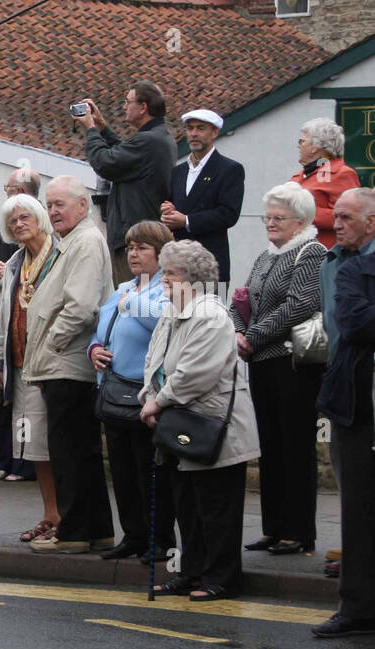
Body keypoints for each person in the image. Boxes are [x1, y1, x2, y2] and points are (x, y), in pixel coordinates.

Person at [143, 241, 259, 601]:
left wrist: (157, 403)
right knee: (188, 510)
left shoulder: (209, 315)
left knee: (216, 511)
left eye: (171, 273)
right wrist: (149, 397)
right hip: (181, 425)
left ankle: (221, 578)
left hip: (212, 428)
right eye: (164, 272)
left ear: (192, 280)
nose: (163, 279)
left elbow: (196, 374)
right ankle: (191, 573)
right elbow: (155, 362)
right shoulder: (171, 313)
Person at [24, 176, 115, 554]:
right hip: (62, 361)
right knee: (80, 450)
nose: (53, 211)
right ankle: (95, 530)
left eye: (61, 204)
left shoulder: (86, 242)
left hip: (66, 362)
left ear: (83, 205)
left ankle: (75, 532)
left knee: (70, 452)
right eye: (49, 204)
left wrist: (51, 343)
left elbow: (79, 307)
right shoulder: (73, 242)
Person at [235, 182, 326, 556]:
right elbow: (241, 299)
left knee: (295, 446)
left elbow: (299, 306)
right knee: (269, 445)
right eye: (267, 216)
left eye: (278, 217)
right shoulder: (265, 256)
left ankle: (299, 531)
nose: (269, 223)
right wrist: (239, 332)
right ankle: (273, 527)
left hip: (292, 364)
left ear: (301, 221)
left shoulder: (311, 252)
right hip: (261, 361)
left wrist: (253, 336)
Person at [88, 220, 175, 562]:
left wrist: (131, 303)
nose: (134, 254)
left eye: (142, 248)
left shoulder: (165, 288)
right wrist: (94, 348)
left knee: (149, 471)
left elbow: (163, 319)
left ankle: (160, 538)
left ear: (161, 252)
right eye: (130, 247)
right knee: (122, 472)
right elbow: (101, 328)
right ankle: (134, 535)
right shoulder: (123, 287)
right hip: (113, 389)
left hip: (146, 393)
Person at [313, 187, 375, 638]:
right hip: (357, 404)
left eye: (347, 217)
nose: (337, 224)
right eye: (337, 215)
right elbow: (353, 324)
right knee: (359, 509)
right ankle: (356, 607)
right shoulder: (347, 266)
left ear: (371, 222)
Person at [0, 194, 61, 541]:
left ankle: (63, 516)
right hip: (20, 367)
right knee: (32, 447)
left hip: (54, 365)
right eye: (12, 221)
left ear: (40, 218)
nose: (18, 224)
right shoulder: (16, 261)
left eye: (24, 217)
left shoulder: (60, 255)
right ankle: (50, 513)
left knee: (58, 445)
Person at [78, 81, 178, 286]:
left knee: (132, 302)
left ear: (143, 107)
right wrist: (102, 127)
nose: (124, 106)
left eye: (127, 101)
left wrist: (90, 129)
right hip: (142, 236)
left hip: (135, 239)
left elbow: (105, 163)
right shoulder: (158, 138)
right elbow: (124, 154)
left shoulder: (148, 141)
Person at [161, 109, 244, 282]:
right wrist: (166, 210)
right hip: (178, 264)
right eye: (190, 128)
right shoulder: (178, 171)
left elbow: (228, 214)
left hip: (211, 265)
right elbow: (170, 202)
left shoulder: (229, 169)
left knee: (208, 308)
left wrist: (187, 220)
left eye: (200, 128)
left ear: (214, 133)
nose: (194, 134)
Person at [290, 118, 362, 250]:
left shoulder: (342, 174)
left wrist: (301, 213)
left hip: (324, 253)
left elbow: (350, 216)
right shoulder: (299, 176)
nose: (299, 145)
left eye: (302, 141)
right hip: (292, 251)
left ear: (315, 147)